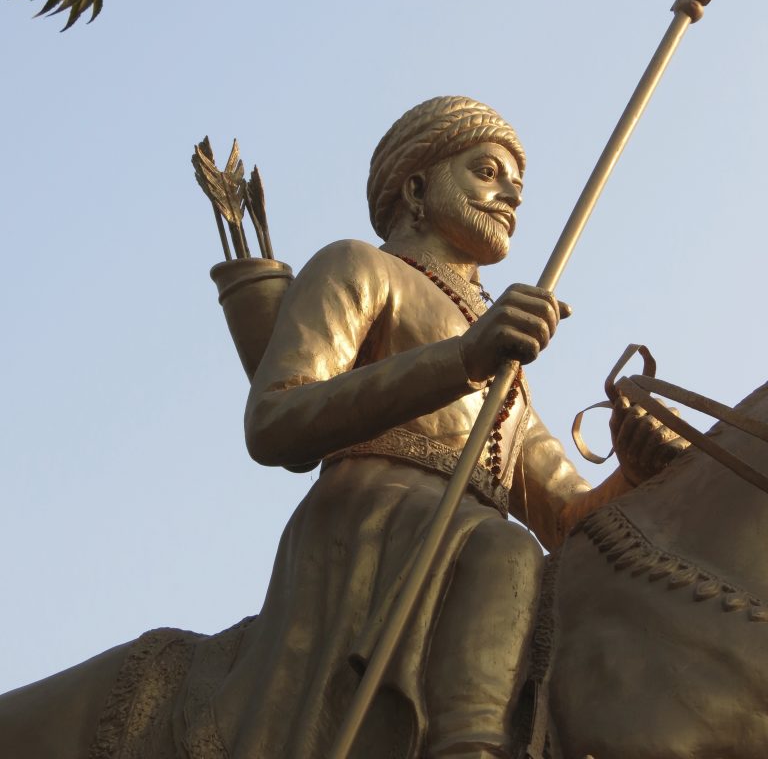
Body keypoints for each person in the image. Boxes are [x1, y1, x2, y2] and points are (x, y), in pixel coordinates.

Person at [0, 96, 683, 759]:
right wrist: (463, 359)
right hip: (372, 524)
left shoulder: (502, 358)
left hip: (468, 545)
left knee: (532, 579)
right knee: (504, 553)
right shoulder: (362, 267)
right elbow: (277, 418)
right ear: (417, 185)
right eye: (486, 170)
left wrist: (637, 468)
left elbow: (566, 518)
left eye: (517, 183)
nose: (511, 195)